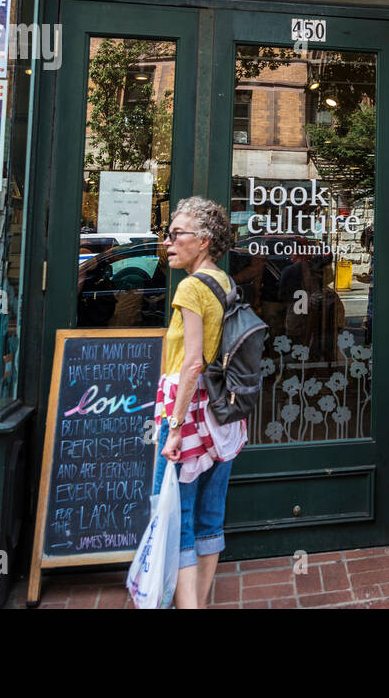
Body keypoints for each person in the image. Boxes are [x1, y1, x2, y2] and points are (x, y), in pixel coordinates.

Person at [152, 197, 243, 609]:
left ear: (203, 241)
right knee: (210, 514)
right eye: (168, 234)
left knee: (178, 514)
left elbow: (192, 363)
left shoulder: (190, 287)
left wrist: (173, 428)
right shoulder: (224, 281)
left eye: (177, 234)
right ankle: (200, 602)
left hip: (188, 412)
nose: (168, 242)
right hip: (222, 412)